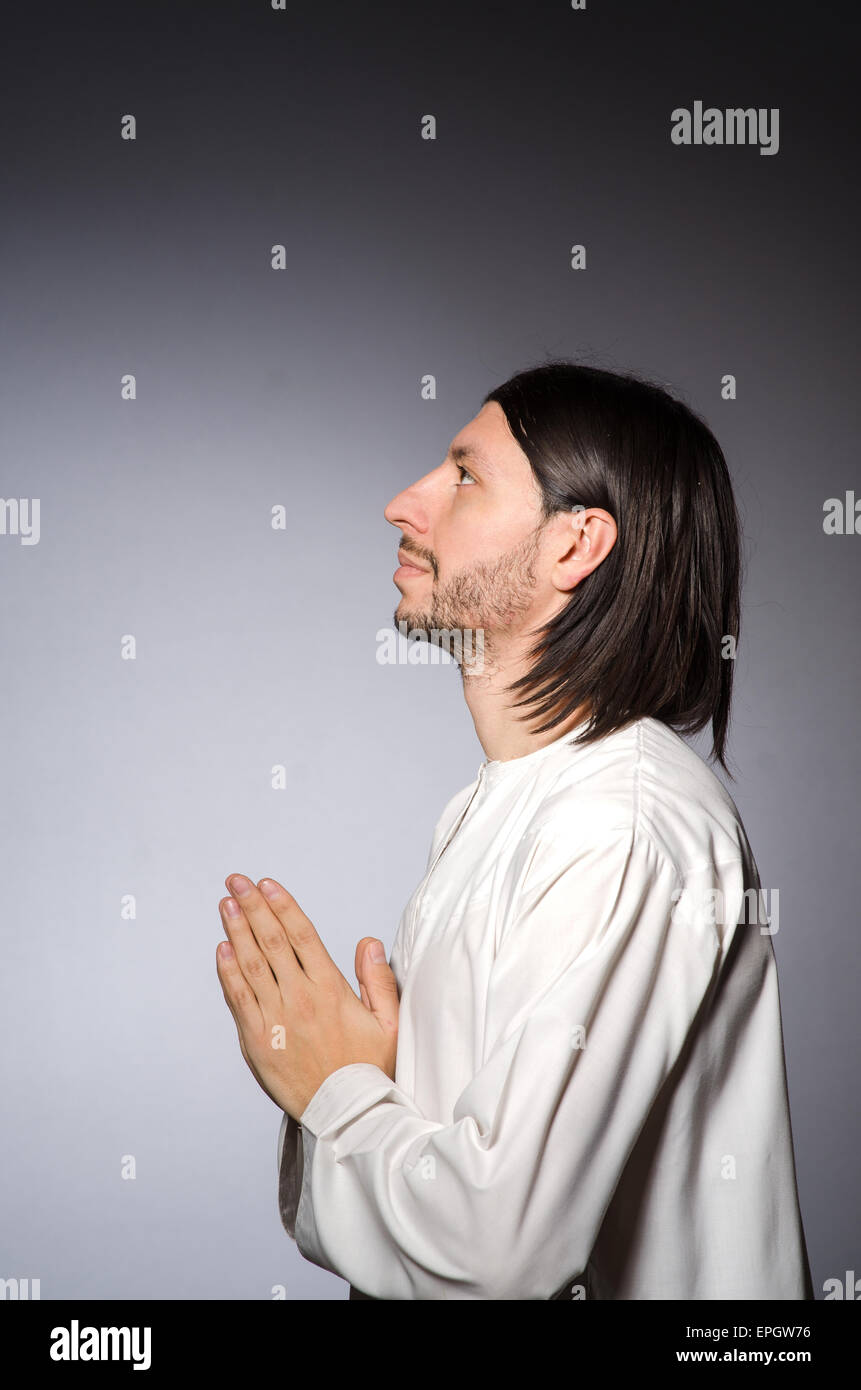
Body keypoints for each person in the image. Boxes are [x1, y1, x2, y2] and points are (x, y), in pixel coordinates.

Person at [269, 360, 813, 1299]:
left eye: (465, 474)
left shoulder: (623, 823)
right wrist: (379, 1079)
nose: (404, 503)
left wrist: (337, 1089)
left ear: (574, 547)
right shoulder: (503, 805)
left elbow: (498, 1254)